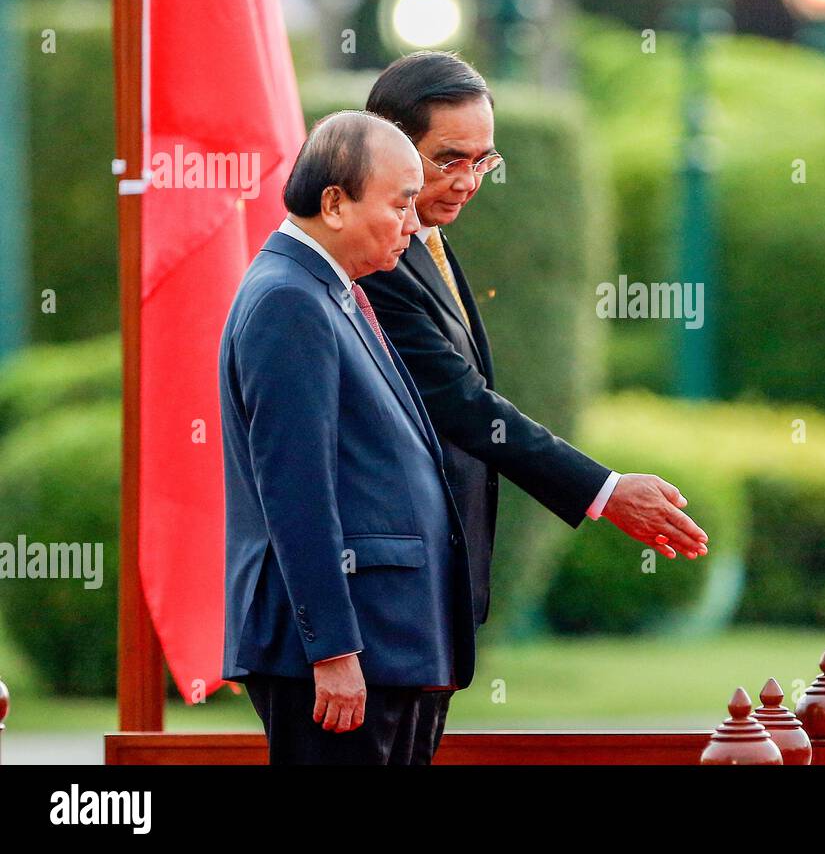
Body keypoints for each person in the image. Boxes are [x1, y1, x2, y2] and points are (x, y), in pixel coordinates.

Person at [358, 51, 709, 634]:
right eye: (449, 160)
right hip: (381, 607)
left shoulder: (421, 240)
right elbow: (462, 404)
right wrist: (605, 490)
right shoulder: (376, 259)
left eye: (482, 162)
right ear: (390, 148)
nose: (468, 183)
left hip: (424, 602)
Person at [219, 110, 471, 764]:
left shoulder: (330, 291)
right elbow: (296, 490)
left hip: (388, 647)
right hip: (343, 656)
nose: (414, 225)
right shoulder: (288, 300)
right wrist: (332, 650)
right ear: (334, 203)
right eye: (401, 203)